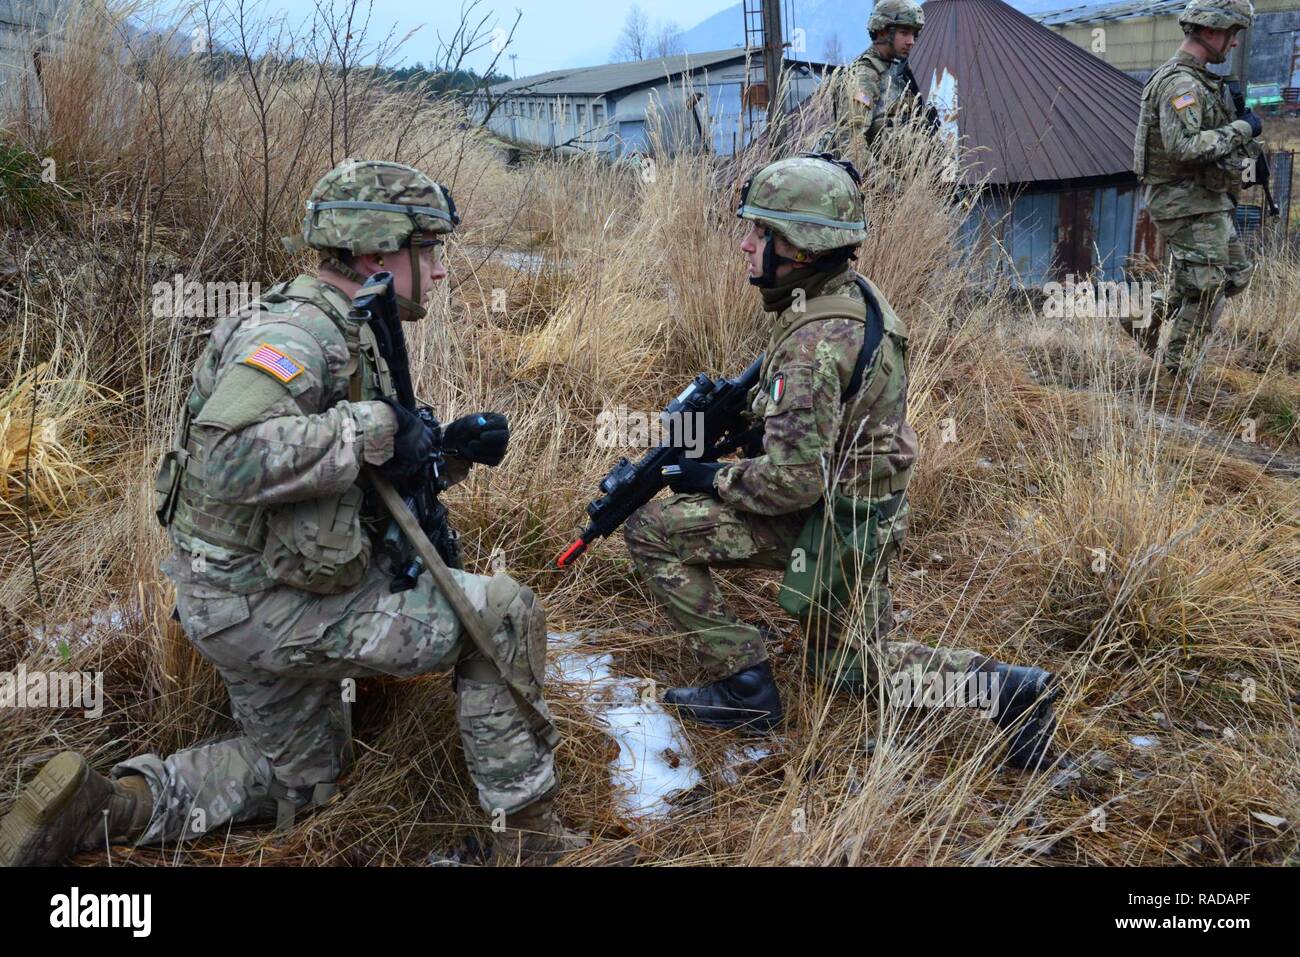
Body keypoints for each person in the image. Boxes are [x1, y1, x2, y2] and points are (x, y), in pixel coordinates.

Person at [0, 160, 585, 867]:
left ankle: (107, 805)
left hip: (243, 597)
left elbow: (341, 475)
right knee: (501, 613)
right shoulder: (301, 333)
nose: (437, 270)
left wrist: (441, 452)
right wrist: (376, 427)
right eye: (427, 249)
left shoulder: (347, 321)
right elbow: (230, 456)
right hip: (263, 604)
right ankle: (531, 843)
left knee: (298, 781)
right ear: (376, 251)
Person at [623, 155, 1059, 770]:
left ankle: (743, 688)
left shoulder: (810, 344)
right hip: (866, 509)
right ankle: (1006, 689)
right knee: (852, 663)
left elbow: (795, 482)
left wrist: (710, 478)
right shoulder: (848, 296)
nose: (746, 245)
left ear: (799, 248)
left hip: (834, 524)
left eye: (761, 233)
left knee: (653, 532)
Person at [1129, 0, 1261, 376]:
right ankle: (1176, 371)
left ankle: (1142, 315)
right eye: (1232, 33)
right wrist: (1242, 130)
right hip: (1183, 198)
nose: (1234, 43)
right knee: (1207, 286)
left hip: (1203, 197)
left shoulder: (1198, 78)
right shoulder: (1181, 83)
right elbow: (1184, 148)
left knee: (1235, 273)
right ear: (1209, 31)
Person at [821, 0, 928, 152]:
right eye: (904, 33)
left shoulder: (897, 72)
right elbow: (850, 143)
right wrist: (884, 176)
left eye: (914, 34)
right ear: (882, 31)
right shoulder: (863, 75)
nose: (911, 41)